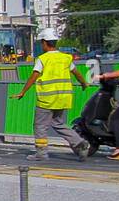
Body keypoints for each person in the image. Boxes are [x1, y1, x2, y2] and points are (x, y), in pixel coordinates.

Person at [13, 28, 91, 161]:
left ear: (44, 43)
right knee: (58, 123)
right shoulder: (65, 58)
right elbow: (76, 72)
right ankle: (79, 143)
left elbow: (34, 76)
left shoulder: (43, 59)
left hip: (47, 99)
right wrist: (83, 83)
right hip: (63, 98)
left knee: (40, 125)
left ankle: (41, 153)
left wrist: (23, 91)